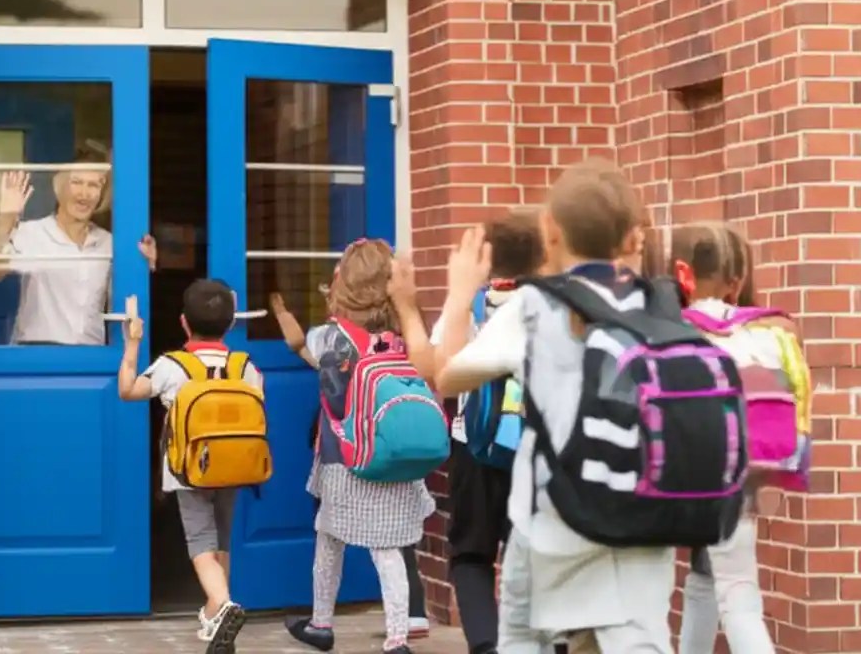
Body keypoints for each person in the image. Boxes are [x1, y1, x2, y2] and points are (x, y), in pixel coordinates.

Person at [434, 160, 675, 654]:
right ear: (633, 237)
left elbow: (448, 373)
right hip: (641, 507)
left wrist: (461, 294)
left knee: (528, 637)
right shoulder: (660, 303)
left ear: (551, 231)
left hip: (556, 512)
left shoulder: (535, 307)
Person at [389, 212, 545, 654]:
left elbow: (432, 370)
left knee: (472, 555)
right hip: (537, 450)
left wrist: (406, 305)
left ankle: (487, 643)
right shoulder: (553, 306)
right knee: (533, 553)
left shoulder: (473, 308)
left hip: (474, 447)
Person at [283, 239, 436, 654]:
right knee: (388, 549)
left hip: (344, 457)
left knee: (329, 538)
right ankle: (398, 637)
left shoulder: (332, 337)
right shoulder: (401, 334)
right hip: (392, 456)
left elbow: (314, 358)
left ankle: (321, 623)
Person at [117, 279, 260, 653]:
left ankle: (223, 605)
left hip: (188, 468)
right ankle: (215, 614)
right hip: (235, 467)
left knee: (200, 541)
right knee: (222, 540)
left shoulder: (172, 365)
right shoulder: (245, 366)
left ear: (183, 323)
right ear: (230, 324)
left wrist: (132, 343)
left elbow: (128, 390)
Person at [673, 224, 787, 654]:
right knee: (729, 585)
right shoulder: (765, 333)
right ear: (737, 279)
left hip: (684, 476)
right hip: (743, 473)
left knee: (713, 580)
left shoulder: (676, 330)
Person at [0, 156, 156, 345]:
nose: (85, 193)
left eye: (94, 185)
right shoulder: (34, 232)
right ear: (59, 189)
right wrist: (5, 222)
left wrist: (145, 265)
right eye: (77, 182)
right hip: (36, 352)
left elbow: (127, 299)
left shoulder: (107, 242)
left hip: (92, 355)